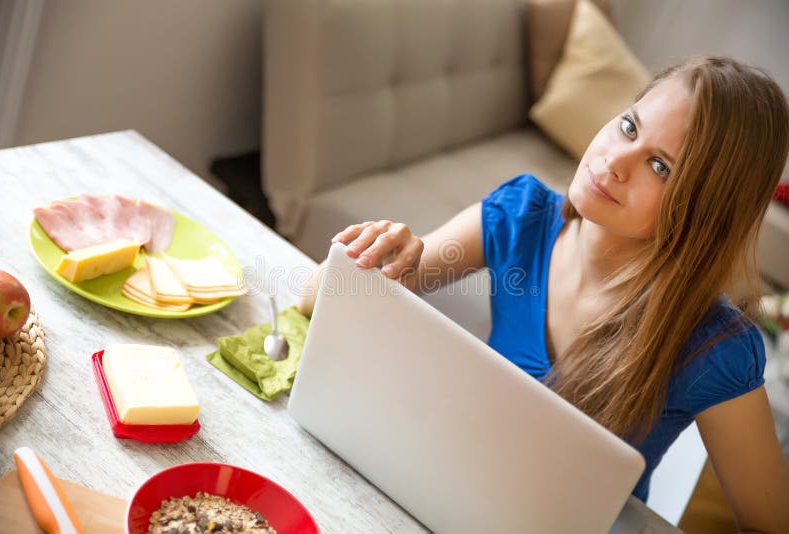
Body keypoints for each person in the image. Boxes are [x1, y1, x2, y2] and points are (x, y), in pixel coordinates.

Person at [298, 56, 789, 531]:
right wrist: (372, 255)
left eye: (660, 167)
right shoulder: (522, 217)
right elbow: (313, 299)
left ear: (705, 212)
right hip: (447, 491)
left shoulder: (714, 349)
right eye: (629, 126)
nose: (614, 161)